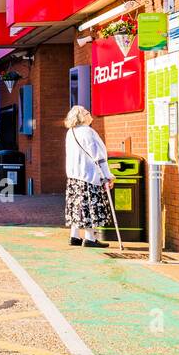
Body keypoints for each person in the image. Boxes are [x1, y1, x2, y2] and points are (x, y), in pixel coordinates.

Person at [64, 105, 112, 248]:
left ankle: (74, 236)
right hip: (88, 175)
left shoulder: (70, 132)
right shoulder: (88, 132)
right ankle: (90, 238)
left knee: (77, 206)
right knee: (90, 206)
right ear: (81, 117)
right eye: (87, 112)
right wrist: (107, 175)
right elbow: (99, 156)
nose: (90, 114)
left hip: (74, 176)